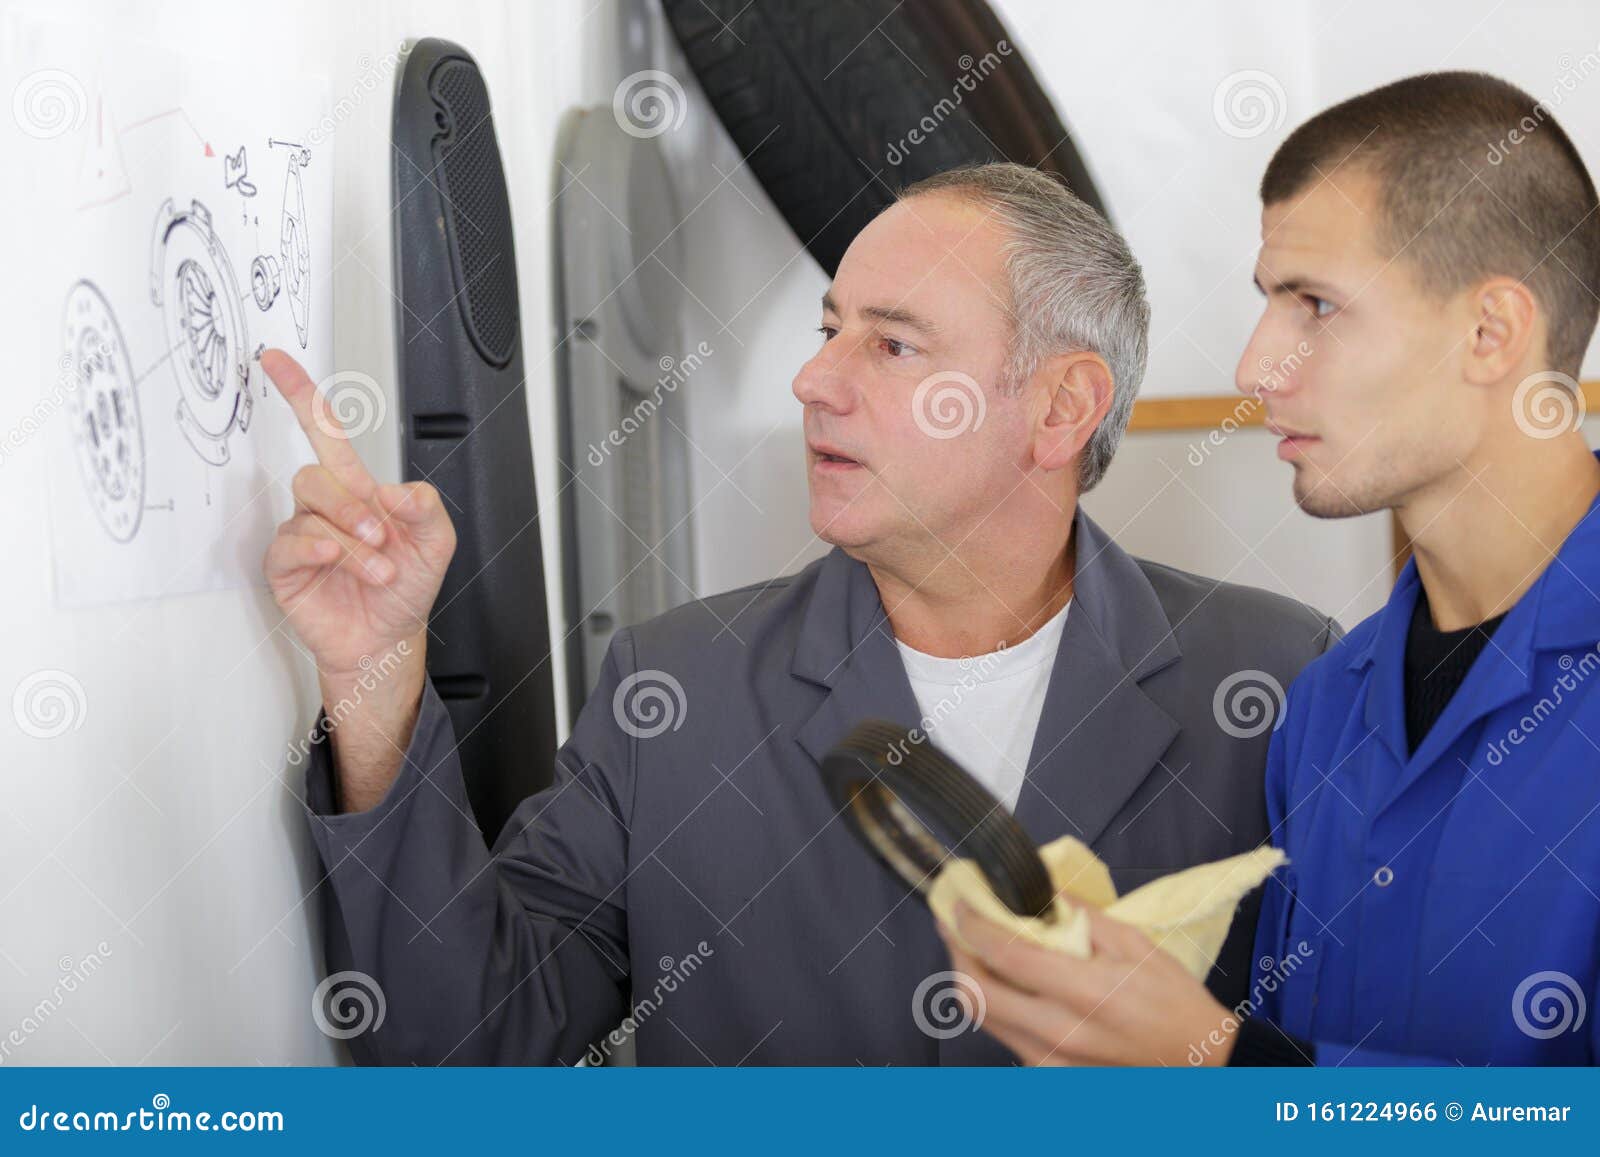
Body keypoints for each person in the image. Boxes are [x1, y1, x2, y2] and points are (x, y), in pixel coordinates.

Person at [264, 161, 1337, 1065]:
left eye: (891, 343)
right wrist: (374, 672)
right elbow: (469, 1041)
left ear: (1060, 406)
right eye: (830, 328)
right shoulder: (674, 691)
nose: (813, 379)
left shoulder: (1281, 678)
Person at [944, 71, 1600, 1067]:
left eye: (1315, 305)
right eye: (1268, 302)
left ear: (1489, 332)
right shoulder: (1326, 702)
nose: (1256, 367)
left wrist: (1221, 1063)